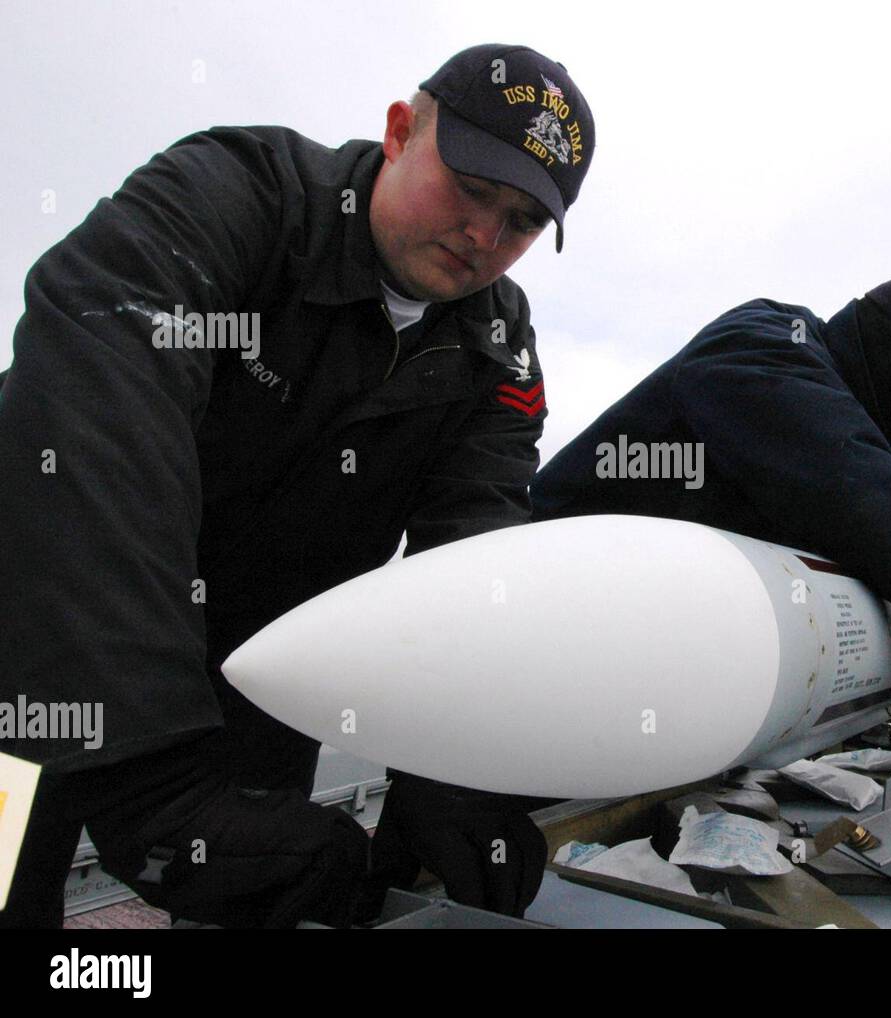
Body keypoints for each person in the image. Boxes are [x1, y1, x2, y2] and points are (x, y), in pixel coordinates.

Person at [0, 43, 595, 928]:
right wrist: (141, 767)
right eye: (471, 188)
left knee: (259, 883)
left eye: (519, 223)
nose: (483, 238)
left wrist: (456, 764)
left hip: (266, 665)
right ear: (400, 132)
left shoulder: (496, 346)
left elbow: (473, 549)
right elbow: (94, 410)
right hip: (51, 622)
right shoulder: (232, 196)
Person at [532, 276, 891, 763]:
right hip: (549, 620)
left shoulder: (860, 427)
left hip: (648, 663)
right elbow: (861, 487)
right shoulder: (759, 346)